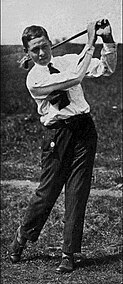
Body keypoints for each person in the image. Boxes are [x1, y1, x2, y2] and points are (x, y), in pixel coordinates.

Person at [9, 19, 117, 272]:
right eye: (34, 50)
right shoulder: (34, 79)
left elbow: (106, 69)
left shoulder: (68, 59)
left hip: (84, 131)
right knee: (47, 193)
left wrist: (108, 40)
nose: (41, 53)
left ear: (51, 44)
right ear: (27, 53)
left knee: (78, 192)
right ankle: (22, 237)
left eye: (44, 46)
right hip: (58, 135)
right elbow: (74, 78)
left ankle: (69, 252)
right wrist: (90, 42)